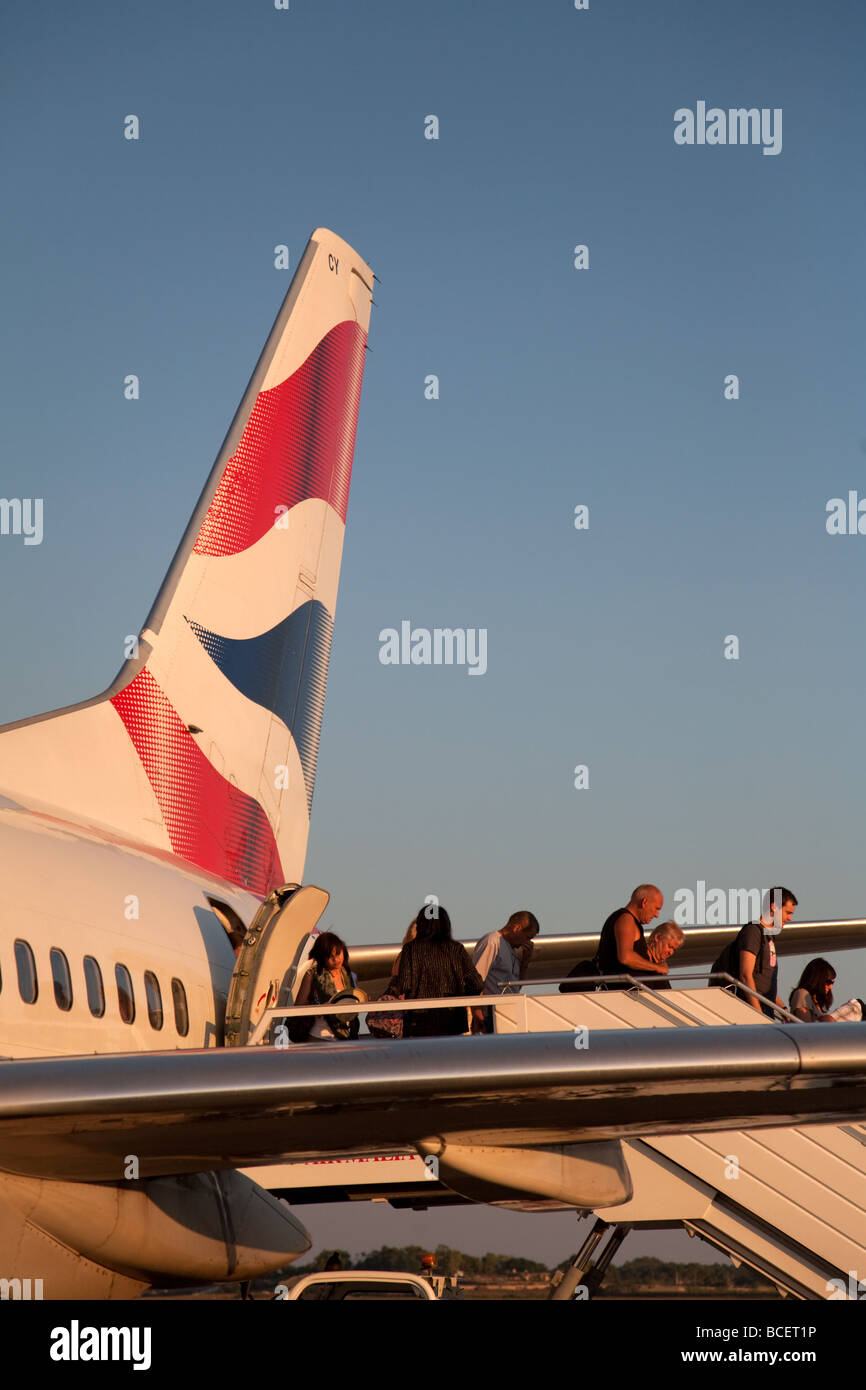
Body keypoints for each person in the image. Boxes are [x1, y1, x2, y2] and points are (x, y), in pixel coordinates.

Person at [393, 907, 484, 1038]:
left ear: (420, 925)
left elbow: (404, 984)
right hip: (453, 1020)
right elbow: (477, 983)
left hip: (418, 1022)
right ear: (447, 925)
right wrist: (461, 994)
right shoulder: (456, 949)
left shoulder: (410, 949)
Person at [711, 886, 797, 1016]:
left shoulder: (768, 937)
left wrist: (782, 1008)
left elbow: (762, 983)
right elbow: (745, 976)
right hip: (749, 1013)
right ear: (774, 907)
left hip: (764, 1012)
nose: (790, 918)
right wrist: (758, 1014)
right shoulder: (753, 932)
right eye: (788, 912)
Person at [293, 932, 364, 1040]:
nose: (336, 959)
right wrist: (319, 1009)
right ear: (321, 958)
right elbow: (299, 1006)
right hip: (319, 1037)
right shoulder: (312, 975)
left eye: (338, 953)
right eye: (330, 956)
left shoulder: (351, 976)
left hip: (347, 1036)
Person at [595, 884, 668, 990]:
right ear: (644, 903)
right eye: (656, 909)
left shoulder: (628, 920)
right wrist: (657, 968)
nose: (657, 915)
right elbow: (626, 957)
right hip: (630, 995)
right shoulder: (626, 919)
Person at [473, 911, 540, 995]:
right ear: (517, 929)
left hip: (509, 1005)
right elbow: (475, 980)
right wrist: (477, 1007)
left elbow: (516, 987)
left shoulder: (512, 950)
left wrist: (525, 962)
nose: (528, 942)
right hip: (492, 1005)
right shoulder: (492, 942)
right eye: (527, 937)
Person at [789, 959, 864, 1023]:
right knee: (855, 1006)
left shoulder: (816, 1001)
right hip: (815, 1037)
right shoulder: (802, 993)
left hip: (823, 1035)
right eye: (828, 982)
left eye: (832, 983)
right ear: (818, 979)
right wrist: (825, 1020)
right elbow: (805, 1028)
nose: (830, 987)